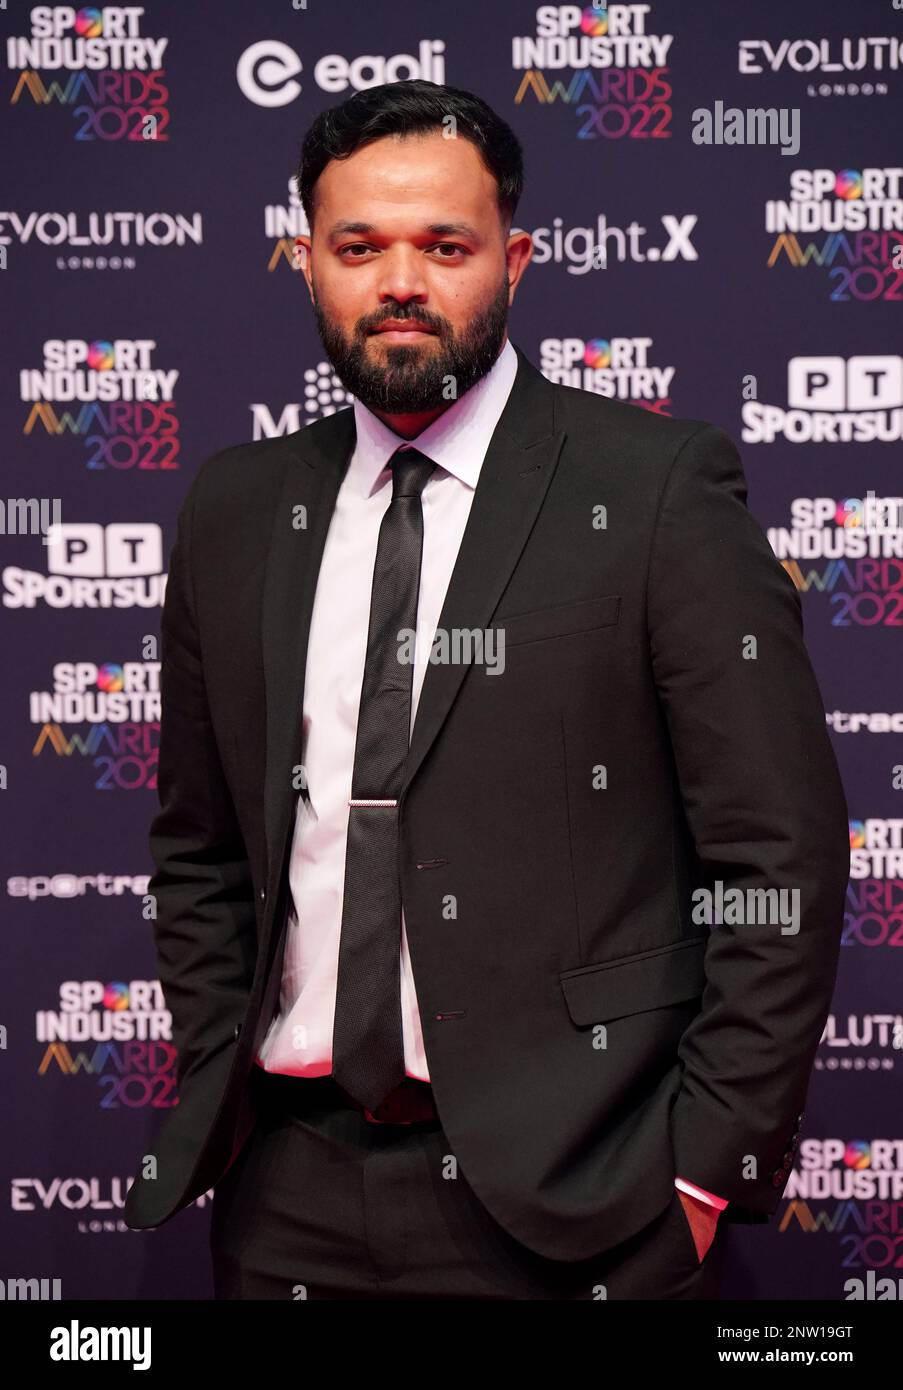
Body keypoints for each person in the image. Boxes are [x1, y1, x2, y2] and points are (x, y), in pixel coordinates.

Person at [123, 80, 849, 1300]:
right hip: (285, 1194)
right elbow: (199, 848)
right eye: (359, 245)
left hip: (583, 1199)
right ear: (306, 262)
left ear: (513, 258)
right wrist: (221, 1077)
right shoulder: (236, 509)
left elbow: (780, 851)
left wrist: (704, 1172)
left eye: (444, 245)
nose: (400, 279)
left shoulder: (656, 487)